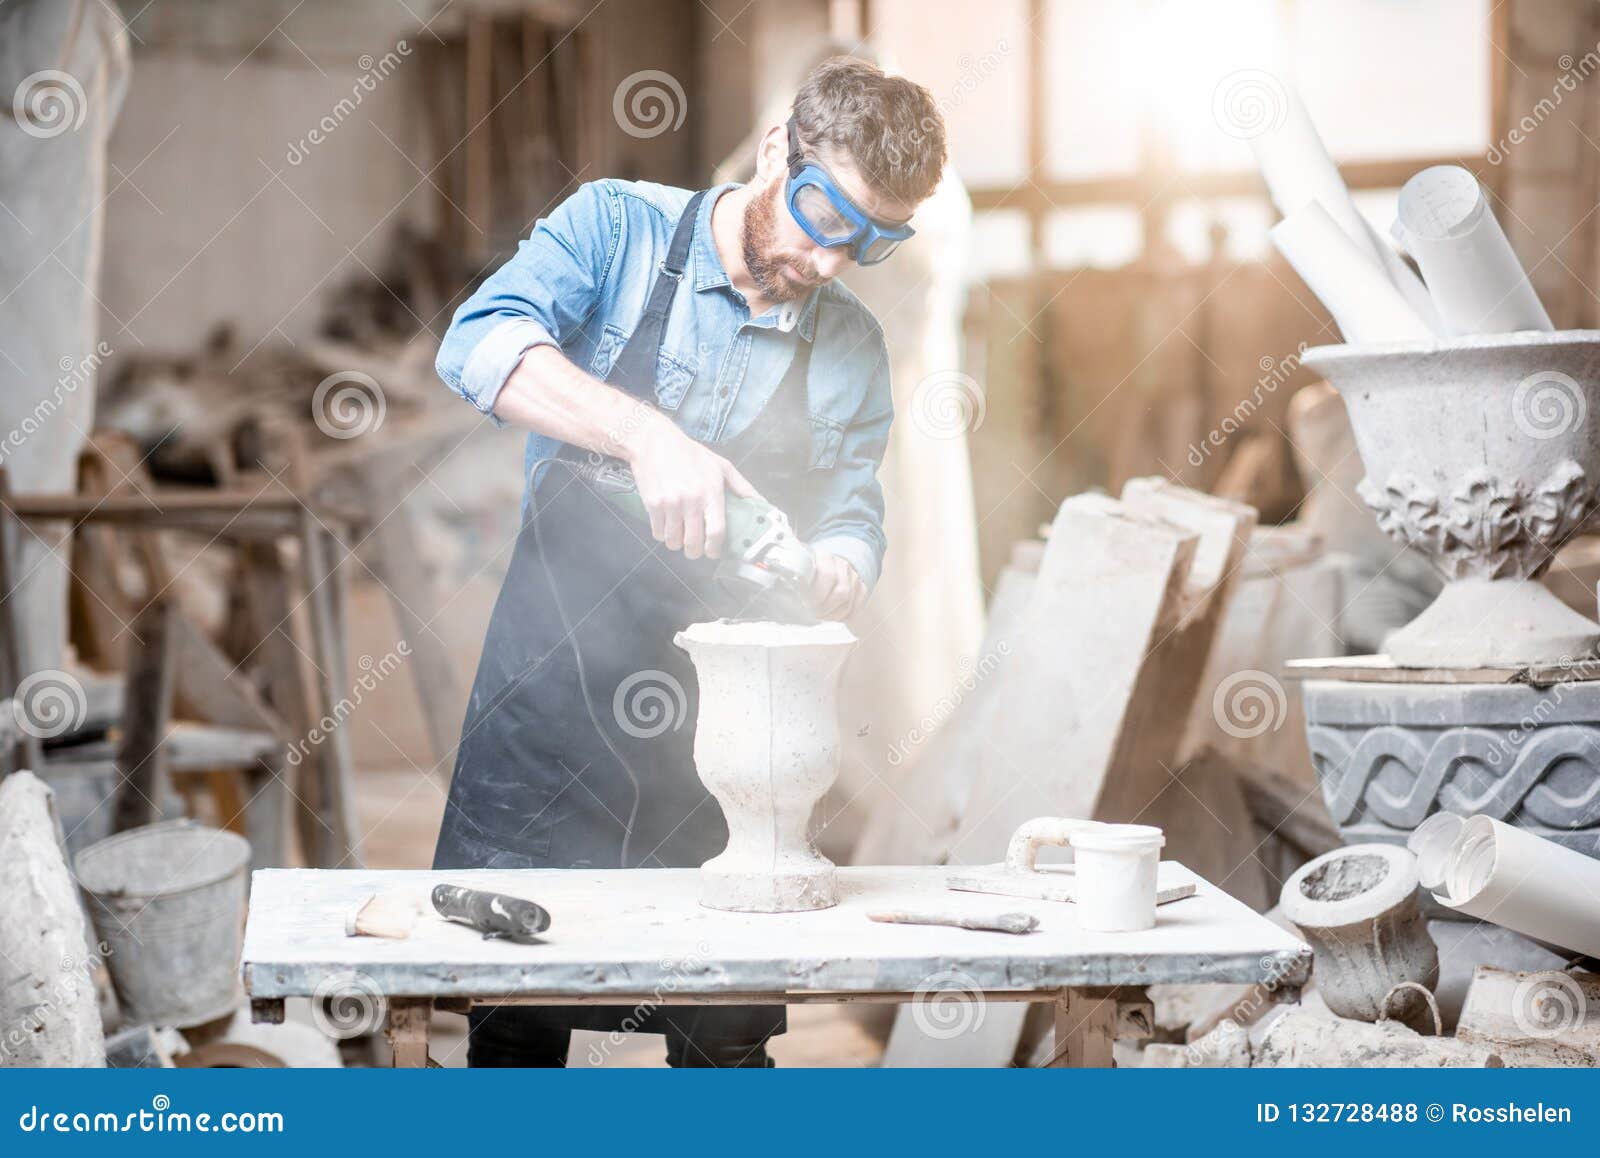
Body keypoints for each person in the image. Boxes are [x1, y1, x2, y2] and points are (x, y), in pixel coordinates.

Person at [432, 55, 948, 1068]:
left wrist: (845, 552)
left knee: (721, 1053)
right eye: (823, 214)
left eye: (874, 242)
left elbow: (850, 499)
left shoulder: (846, 345)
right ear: (772, 154)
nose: (834, 260)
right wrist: (646, 437)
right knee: (516, 1044)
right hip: (551, 707)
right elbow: (477, 344)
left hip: (725, 753)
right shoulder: (616, 231)